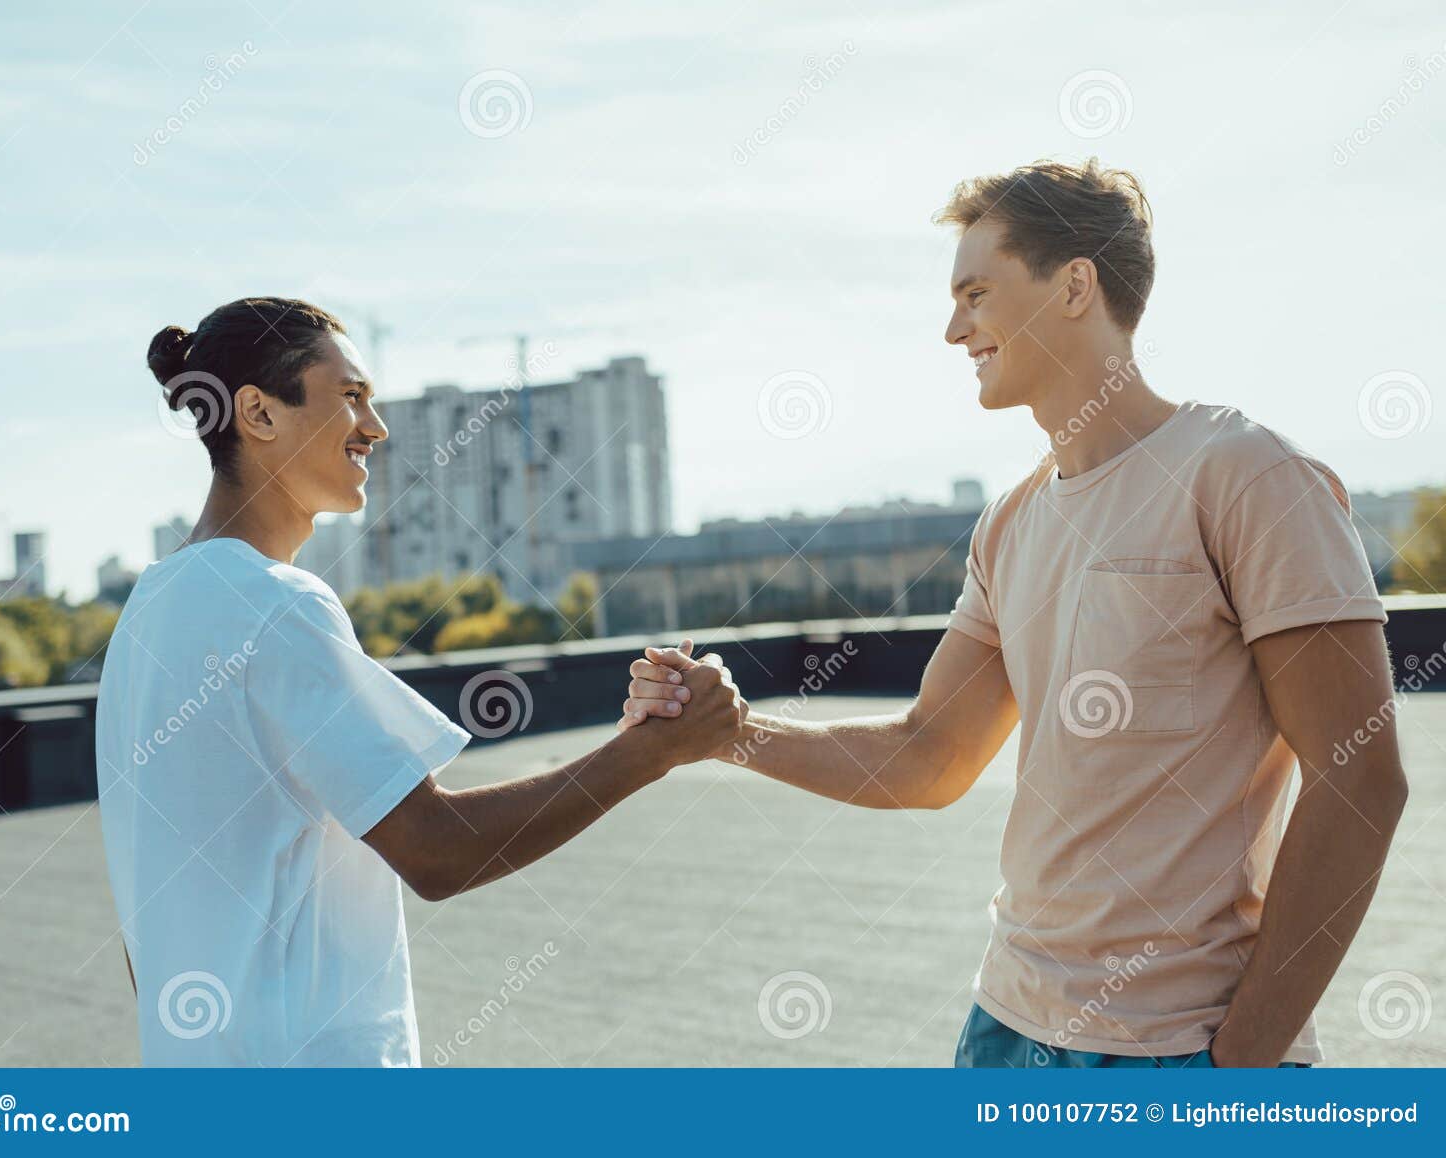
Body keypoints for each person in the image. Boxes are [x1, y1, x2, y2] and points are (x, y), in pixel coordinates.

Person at [620, 160, 1409, 1068]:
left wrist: (1243, 1063)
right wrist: (728, 734)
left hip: (1178, 1050)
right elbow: (930, 755)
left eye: (977, 292)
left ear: (1075, 284)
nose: (954, 328)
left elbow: (1360, 782)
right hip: (1006, 1028)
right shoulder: (1011, 523)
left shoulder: (1245, 475)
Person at [95, 297, 743, 1067]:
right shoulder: (275, 604)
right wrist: (651, 753)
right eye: (350, 396)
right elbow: (437, 851)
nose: (376, 427)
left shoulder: (150, 608)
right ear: (259, 414)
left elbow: (147, 922)